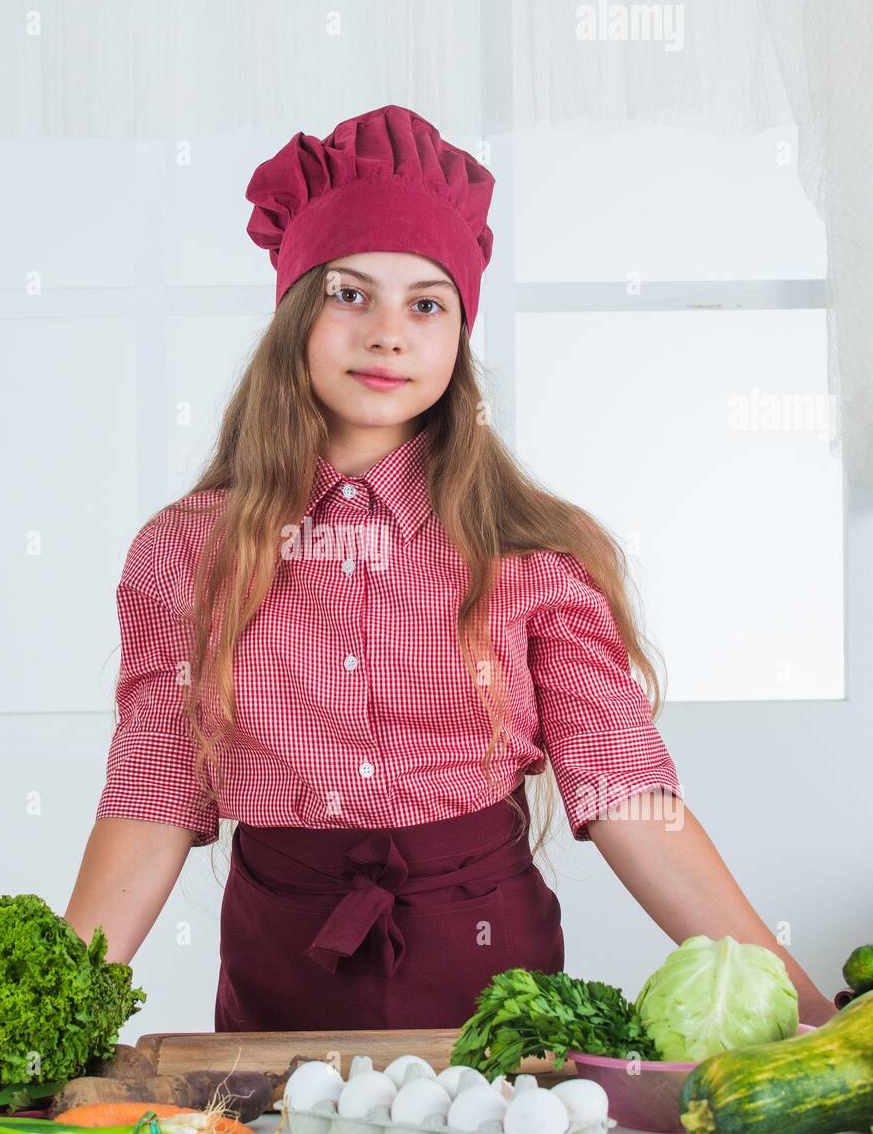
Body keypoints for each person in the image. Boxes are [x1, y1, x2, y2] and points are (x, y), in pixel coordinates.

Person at [65, 104, 836, 1032]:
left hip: (493, 983)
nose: (389, 333)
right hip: (278, 977)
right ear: (295, 317)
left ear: (457, 337)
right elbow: (154, 795)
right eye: (351, 294)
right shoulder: (185, 552)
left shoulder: (534, 555)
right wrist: (52, 1016)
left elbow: (627, 794)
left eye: (426, 303)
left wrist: (812, 1017)